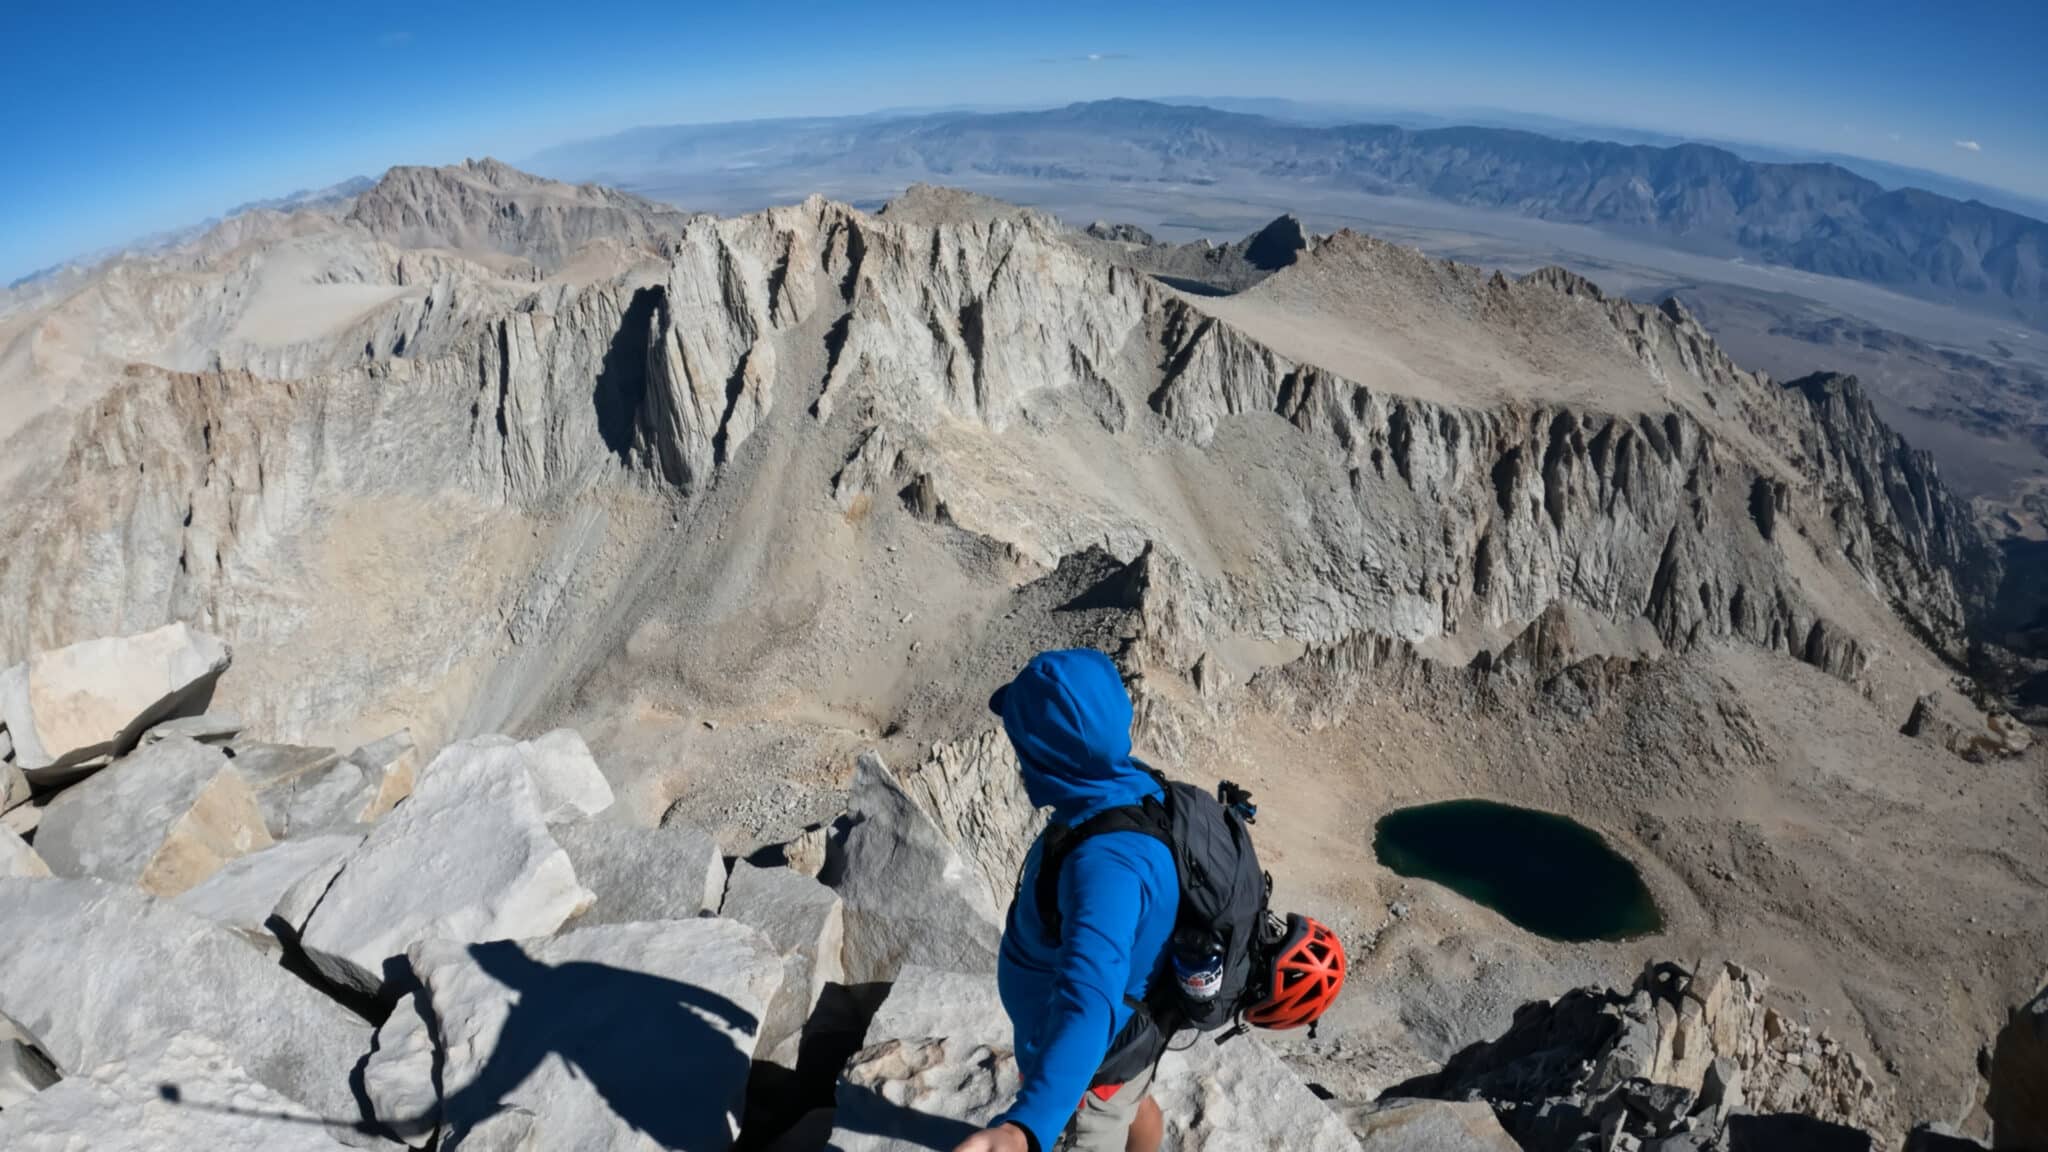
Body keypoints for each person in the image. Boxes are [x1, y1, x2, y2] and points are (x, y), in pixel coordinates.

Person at [951, 648, 1180, 1152]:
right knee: (1135, 1099)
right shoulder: (1131, 787)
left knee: (1111, 1106)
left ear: (1044, 756)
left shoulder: (1104, 868)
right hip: (1132, 1037)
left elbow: (1088, 1002)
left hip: (1089, 1075)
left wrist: (1027, 1126)